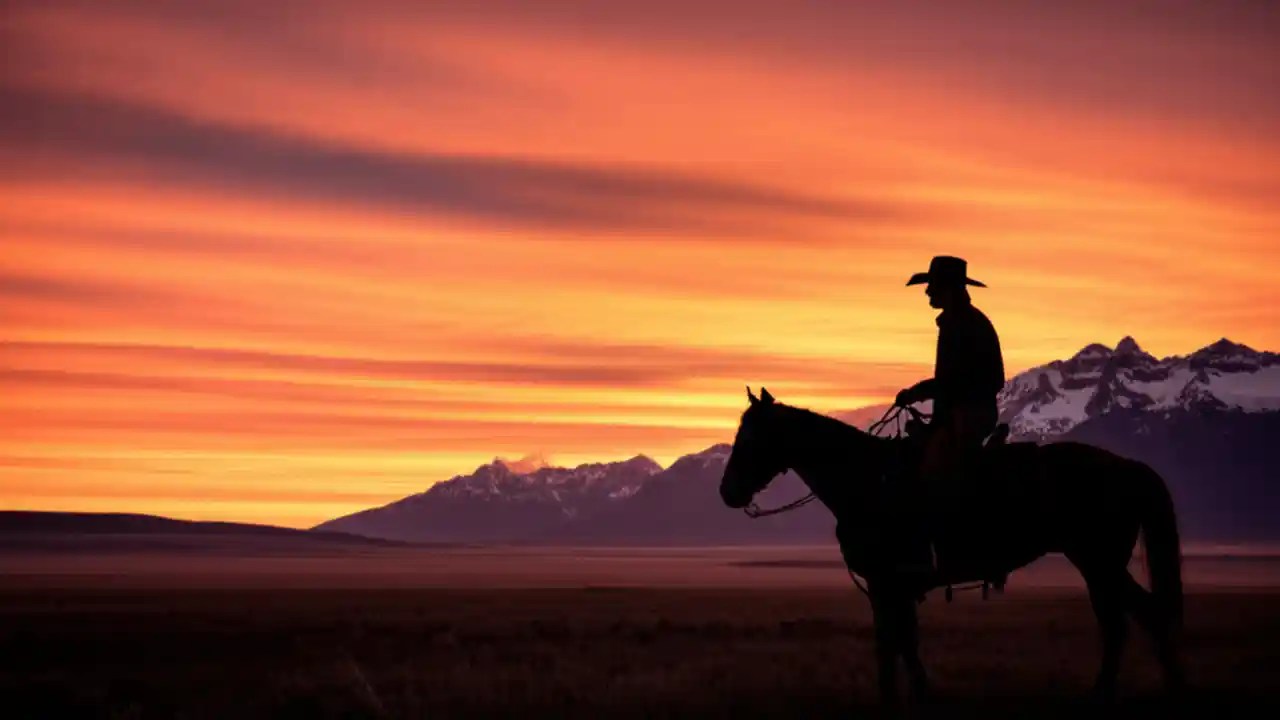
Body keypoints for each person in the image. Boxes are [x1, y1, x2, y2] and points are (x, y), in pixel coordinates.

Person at [891, 255, 1006, 586]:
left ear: (949, 290)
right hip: (960, 413)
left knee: (934, 469)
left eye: (932, 287)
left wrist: (918, 392)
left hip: (972, 416)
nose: (928, 293)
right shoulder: (960, 323)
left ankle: (951, 551)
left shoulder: (966, 325)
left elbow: (975, 380)